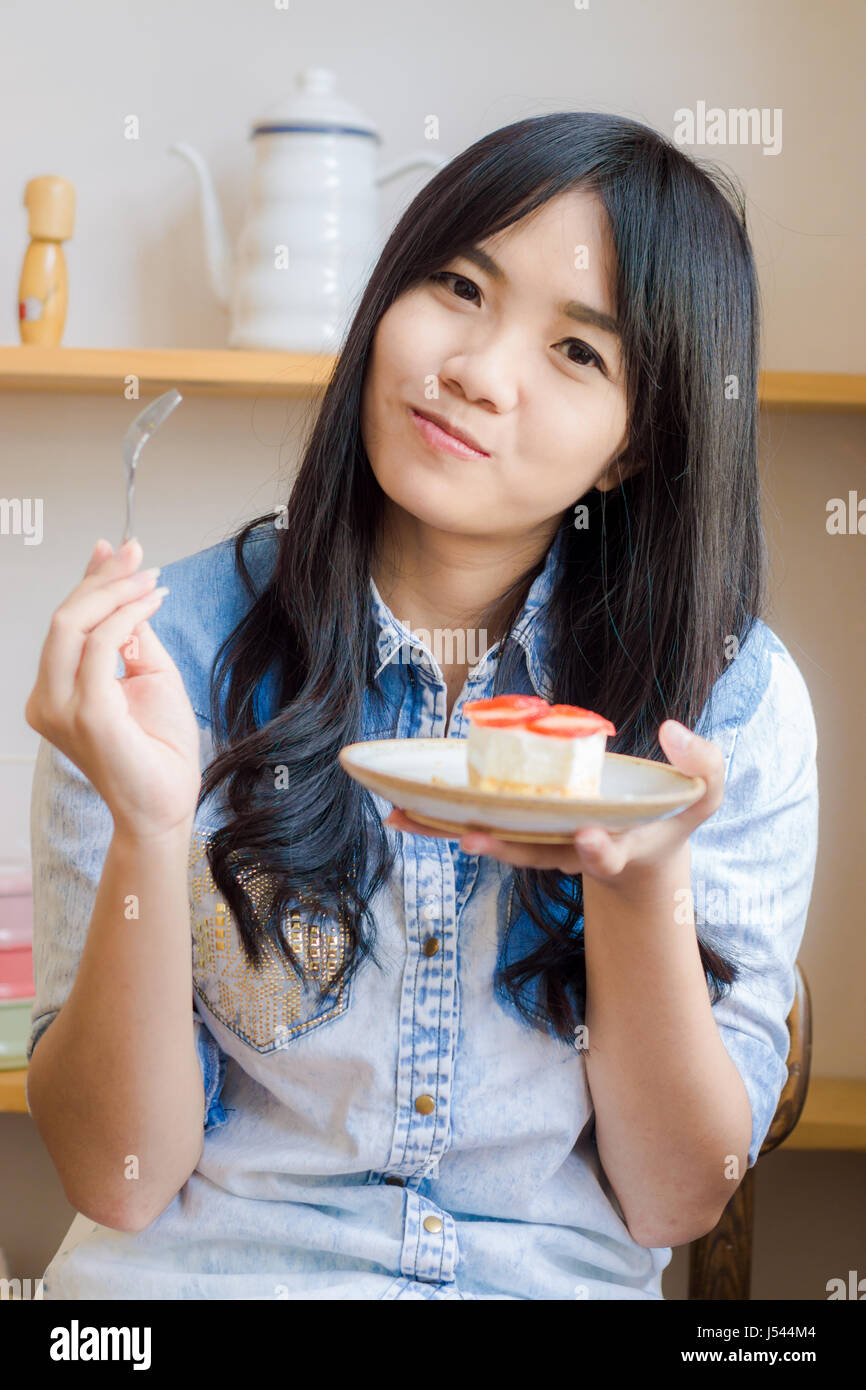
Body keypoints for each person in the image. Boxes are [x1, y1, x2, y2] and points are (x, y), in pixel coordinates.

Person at [23, 111, 818, 1300]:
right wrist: (147, 825)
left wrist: (637, 885)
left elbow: (672, 1196)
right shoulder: (164, 655)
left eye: (576, 353)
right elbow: (119, 1179)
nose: (476, 372)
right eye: (458, 284)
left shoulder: (722, 700)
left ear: (629, 451)